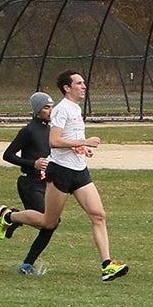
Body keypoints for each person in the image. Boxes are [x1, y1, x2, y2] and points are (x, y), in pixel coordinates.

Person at [38, 70, 126, 281]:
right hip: (60, 171)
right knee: (48, 222)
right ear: (67, 88)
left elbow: (70, 140)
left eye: (84, 83)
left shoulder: (76, 109)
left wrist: (82, 149)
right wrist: (84, 142)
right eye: (79, 83)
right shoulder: (61, 109)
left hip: (79, 170)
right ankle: (9, 216)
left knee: (99, 215)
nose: (84, 86)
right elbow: (54, 141)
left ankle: (107, 265)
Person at [0, 92, 58, 274]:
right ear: (37, 111)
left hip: (48, 183)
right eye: (46, 107)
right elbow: (8, 155)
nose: (50, 110)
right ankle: (9, 216)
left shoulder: (52, 130)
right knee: (47, 220)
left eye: (51, 106)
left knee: (52, 223)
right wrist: (33, 163)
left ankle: (26, 263)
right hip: (30, 183)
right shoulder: (28, 131)